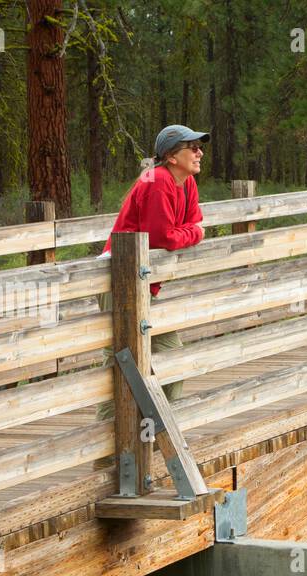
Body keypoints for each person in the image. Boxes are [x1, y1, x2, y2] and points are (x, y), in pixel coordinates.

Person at [97, 124, 210, 418]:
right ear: (172, 156)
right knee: (121, 364)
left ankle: (150, 437)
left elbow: (191, 222)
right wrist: (195, 234)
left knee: (172, 360)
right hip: (119, 278)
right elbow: (164, 238)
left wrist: (188, 231)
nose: (200, 153)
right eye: (193, 147)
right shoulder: (156, 180)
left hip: (144, 281)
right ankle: (109, 457)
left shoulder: (187, 183)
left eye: (200, 147)